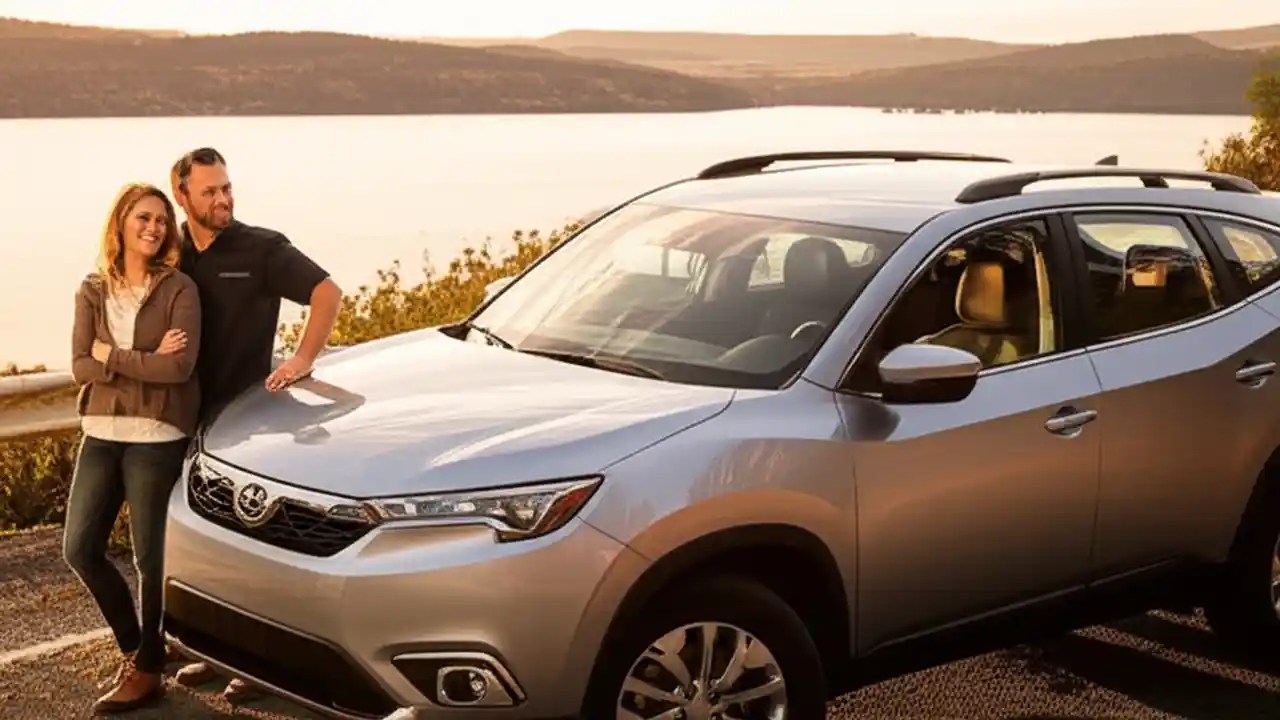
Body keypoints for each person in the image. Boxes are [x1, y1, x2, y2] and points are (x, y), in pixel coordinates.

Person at [165, 147, 342, 703]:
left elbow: (327, 293)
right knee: (192, 547)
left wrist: (302, 360)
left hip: (244, 427)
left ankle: (253, 664)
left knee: (242, 549)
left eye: (226, 188)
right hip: (180, 419)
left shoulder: (262, 247)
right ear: (183, 197)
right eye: (210, 192)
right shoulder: (172, 251)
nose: (223, 200)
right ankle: (205, 653)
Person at [65, 182, 201, 714]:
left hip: (157, 436)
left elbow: (178, 369)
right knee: (78, 549)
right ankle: (138, 646)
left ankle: (147, 671)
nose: (154, 227)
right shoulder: (93, 288)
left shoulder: (179, 289)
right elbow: (79, 365)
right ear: (120, 222)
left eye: (162, 221)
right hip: (101, 431)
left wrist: (114, 356)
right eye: (143, 217)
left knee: (150, 557)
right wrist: (141, 356)